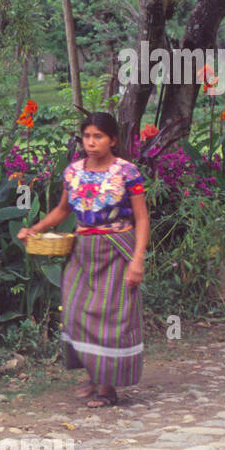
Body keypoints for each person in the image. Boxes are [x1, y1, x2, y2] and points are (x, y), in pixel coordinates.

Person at [17, 112, 149, 407]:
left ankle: (105, 386)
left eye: (98, 136)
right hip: (83, 251)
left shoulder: (128, 173)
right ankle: (93, 372)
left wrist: (137, 260)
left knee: (111, 316)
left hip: (116, 248)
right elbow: (62, 210)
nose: (91, 142)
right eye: (87, 136)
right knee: (76, 312)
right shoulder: (73, 172)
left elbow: (142, 218)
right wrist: (34, 229)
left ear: (113, 140)